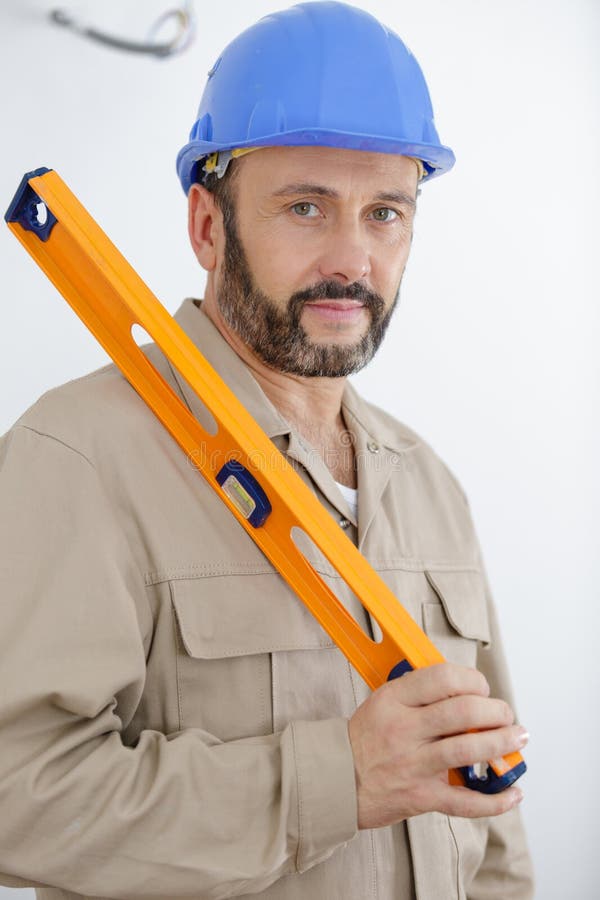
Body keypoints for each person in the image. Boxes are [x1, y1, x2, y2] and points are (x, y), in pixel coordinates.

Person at [0, 2, 534, 898]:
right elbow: (16, 796)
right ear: (208, 226)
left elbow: (493, 824)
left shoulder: (430, 484)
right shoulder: (79, 457)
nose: (351, 258)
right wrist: (338, 781)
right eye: (304, 207)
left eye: (385, 214)